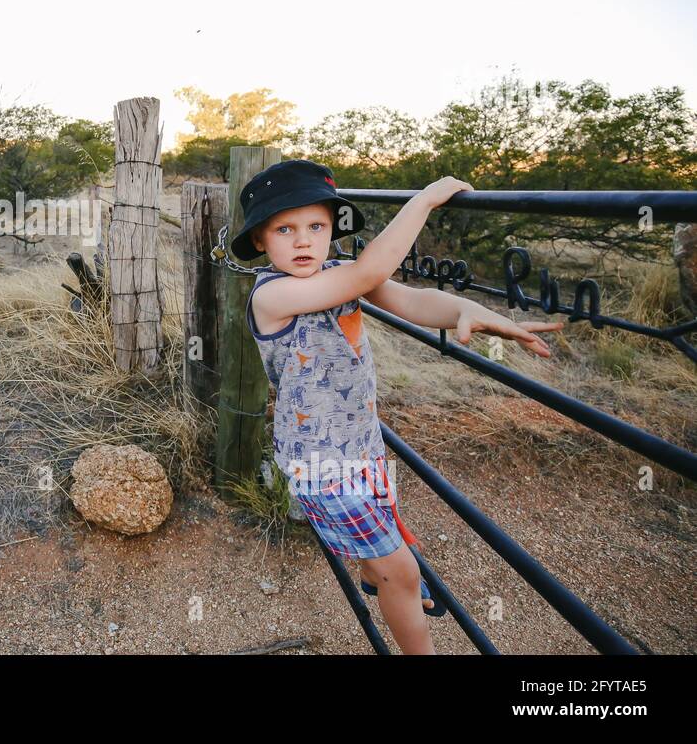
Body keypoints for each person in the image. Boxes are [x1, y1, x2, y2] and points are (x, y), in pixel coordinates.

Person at [230, 159, 563, 654]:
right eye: (285, 229)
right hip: (322, 466)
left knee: (385, 544)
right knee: (403, 574)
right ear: (261, 240)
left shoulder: (342, 273)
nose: (303, 241)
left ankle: (375, 572)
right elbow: (374, 269)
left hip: (361, 446)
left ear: (332, 230)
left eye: (316, 226)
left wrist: (472, 312)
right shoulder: (273, 294)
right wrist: (424, 200)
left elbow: (411, 300)